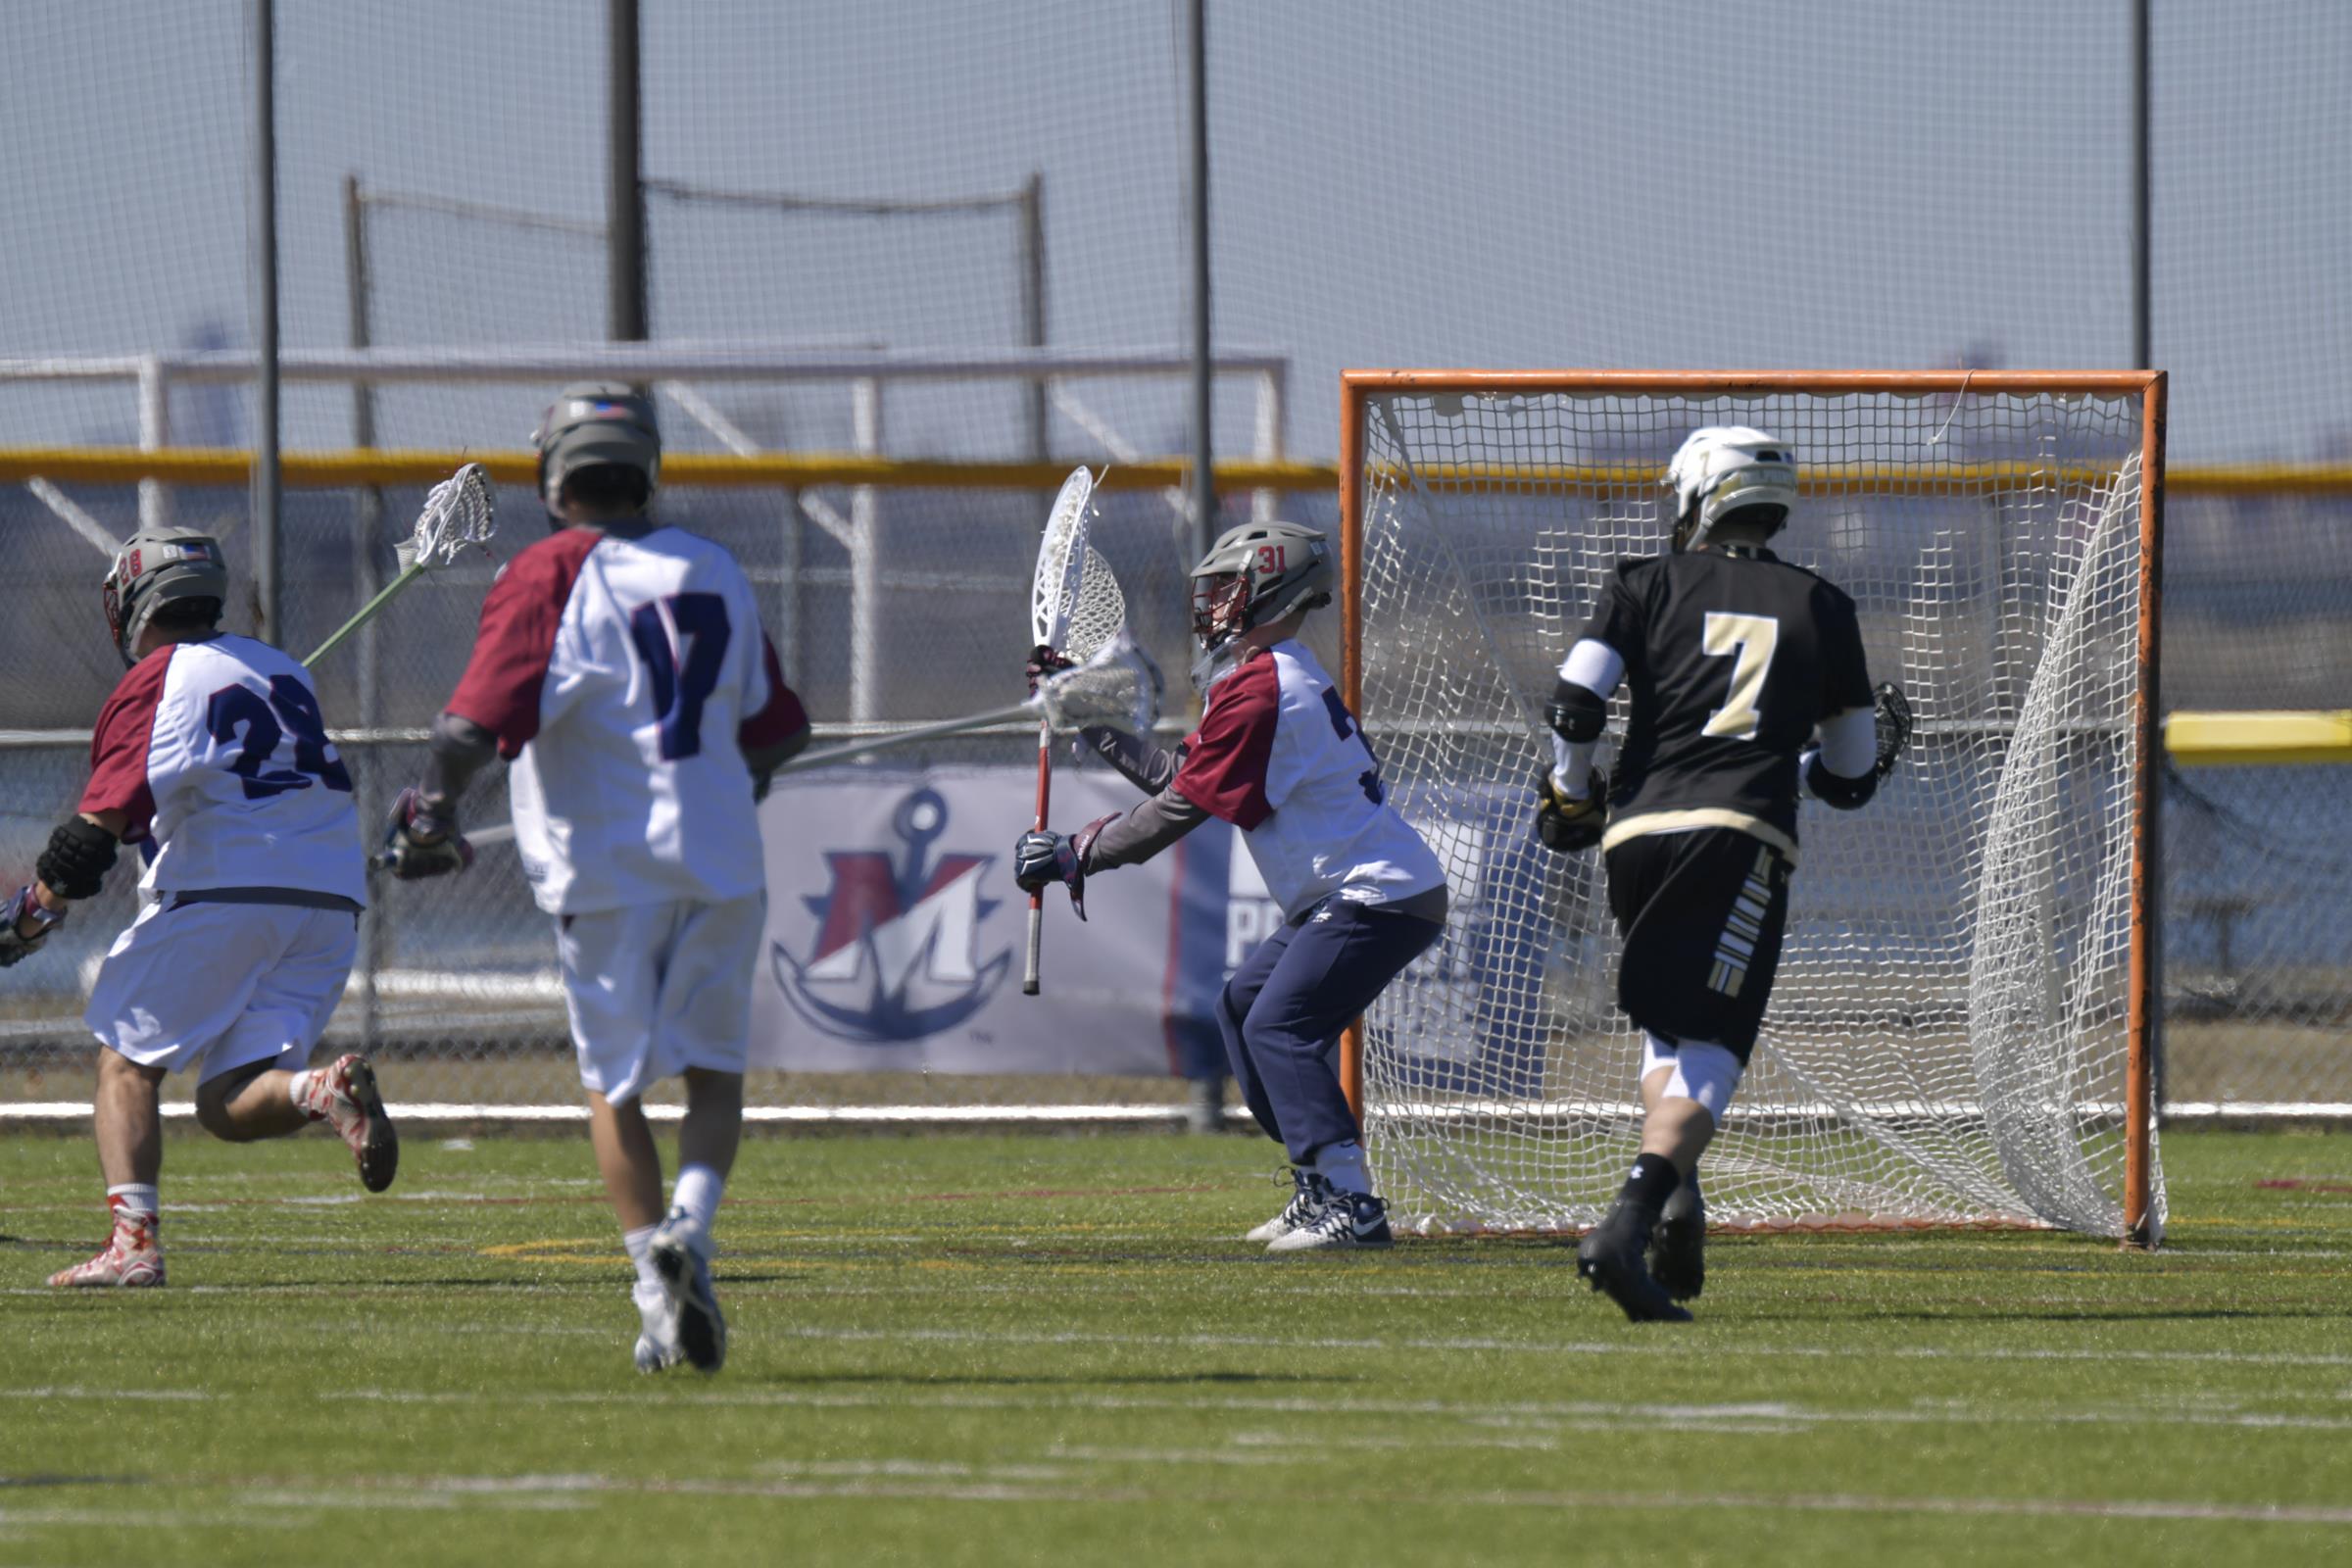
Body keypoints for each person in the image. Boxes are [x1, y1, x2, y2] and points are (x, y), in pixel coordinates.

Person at [386, 384, 809, 1372]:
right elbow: (778, 727)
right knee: (711, 1072)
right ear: (647, 466)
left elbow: (465, 728)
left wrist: (430, 809)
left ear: (554, 475)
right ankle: (691, 1234)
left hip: (604, 865)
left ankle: (649, 1285)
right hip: (718, 855)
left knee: (613, 1090)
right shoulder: (713, 566)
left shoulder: (549, 570)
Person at [1535, 426, 1911, 1321]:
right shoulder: (1822, 604)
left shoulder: (1640, 582)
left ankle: (1676, 1200)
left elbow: (1576, 701)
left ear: (1698, 496)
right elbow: (1849, 777)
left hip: (1636, 833)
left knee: (1670, 1033)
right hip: (1742, 835)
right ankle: (1626, 1225)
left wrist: (1571, 792)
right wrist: (1808, 773)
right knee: (1712, 1050)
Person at [1016, 520, 1447, 1250]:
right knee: (1241, 1007)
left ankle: (1350, 1201)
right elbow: (1181, 781)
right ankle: (1320, 1184)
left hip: (1379, 895)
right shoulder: (1259, 680)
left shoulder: (1267, 688)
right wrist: (1088, 719)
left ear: (1270, 591)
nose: (1210, 605)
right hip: (1345, 895)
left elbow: (1179, 810)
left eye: (1226, 589)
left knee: (1281, 1025)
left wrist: (1076, 855)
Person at [2, 529, 396, 1289]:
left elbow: (91, 841)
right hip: (329, 901)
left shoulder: (157, 679)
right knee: (226, 1100)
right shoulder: (282, 670)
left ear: (131, 605)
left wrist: (27, 918)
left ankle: (133, 1246)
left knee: (125, 1064)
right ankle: (324, 1089)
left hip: (225, 888)